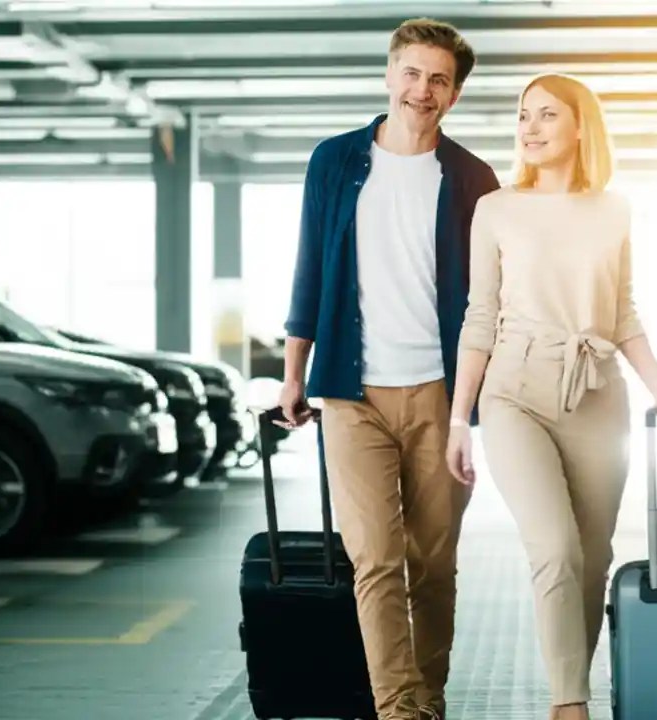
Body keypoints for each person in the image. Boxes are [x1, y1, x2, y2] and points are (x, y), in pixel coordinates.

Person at [444, 73, 657, 720]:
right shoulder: (498, 208)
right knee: (554, 548)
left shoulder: (613, 209)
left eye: (547, 116)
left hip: (598, 393)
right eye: (524, 116)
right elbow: (480, 317)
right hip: (515, 391)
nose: (529, 128)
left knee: (593, 561)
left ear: (581, 126)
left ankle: (572, 683)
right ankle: (570, 706)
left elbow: (621, 313)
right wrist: (459, 418)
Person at [276, 16, 500, 720]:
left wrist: (475, 404)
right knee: (375, 560)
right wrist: (293, 372)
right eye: (412, 73)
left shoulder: (473, 179)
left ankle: (427, 698)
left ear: (454, 94)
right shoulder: (335, 161)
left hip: (440, 398)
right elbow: (310, 268)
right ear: (388, 75)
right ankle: (400, 709)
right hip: (351, 394)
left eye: (439, 79)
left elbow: (490, 298)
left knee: (433, 567)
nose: (422, 90)